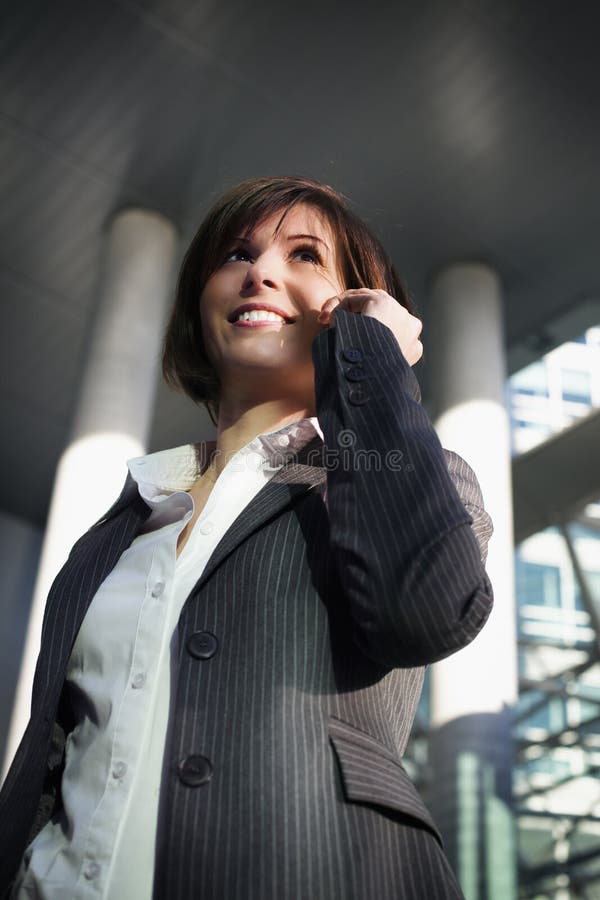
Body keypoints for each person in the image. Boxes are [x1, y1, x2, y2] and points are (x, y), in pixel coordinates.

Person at [0, 175, 493, 899]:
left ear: (359, 307)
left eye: (304, 256)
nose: (259, 272)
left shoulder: (414, 475)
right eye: (236, 254)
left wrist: (372, 359)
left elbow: (425, 611)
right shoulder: (117, 532)